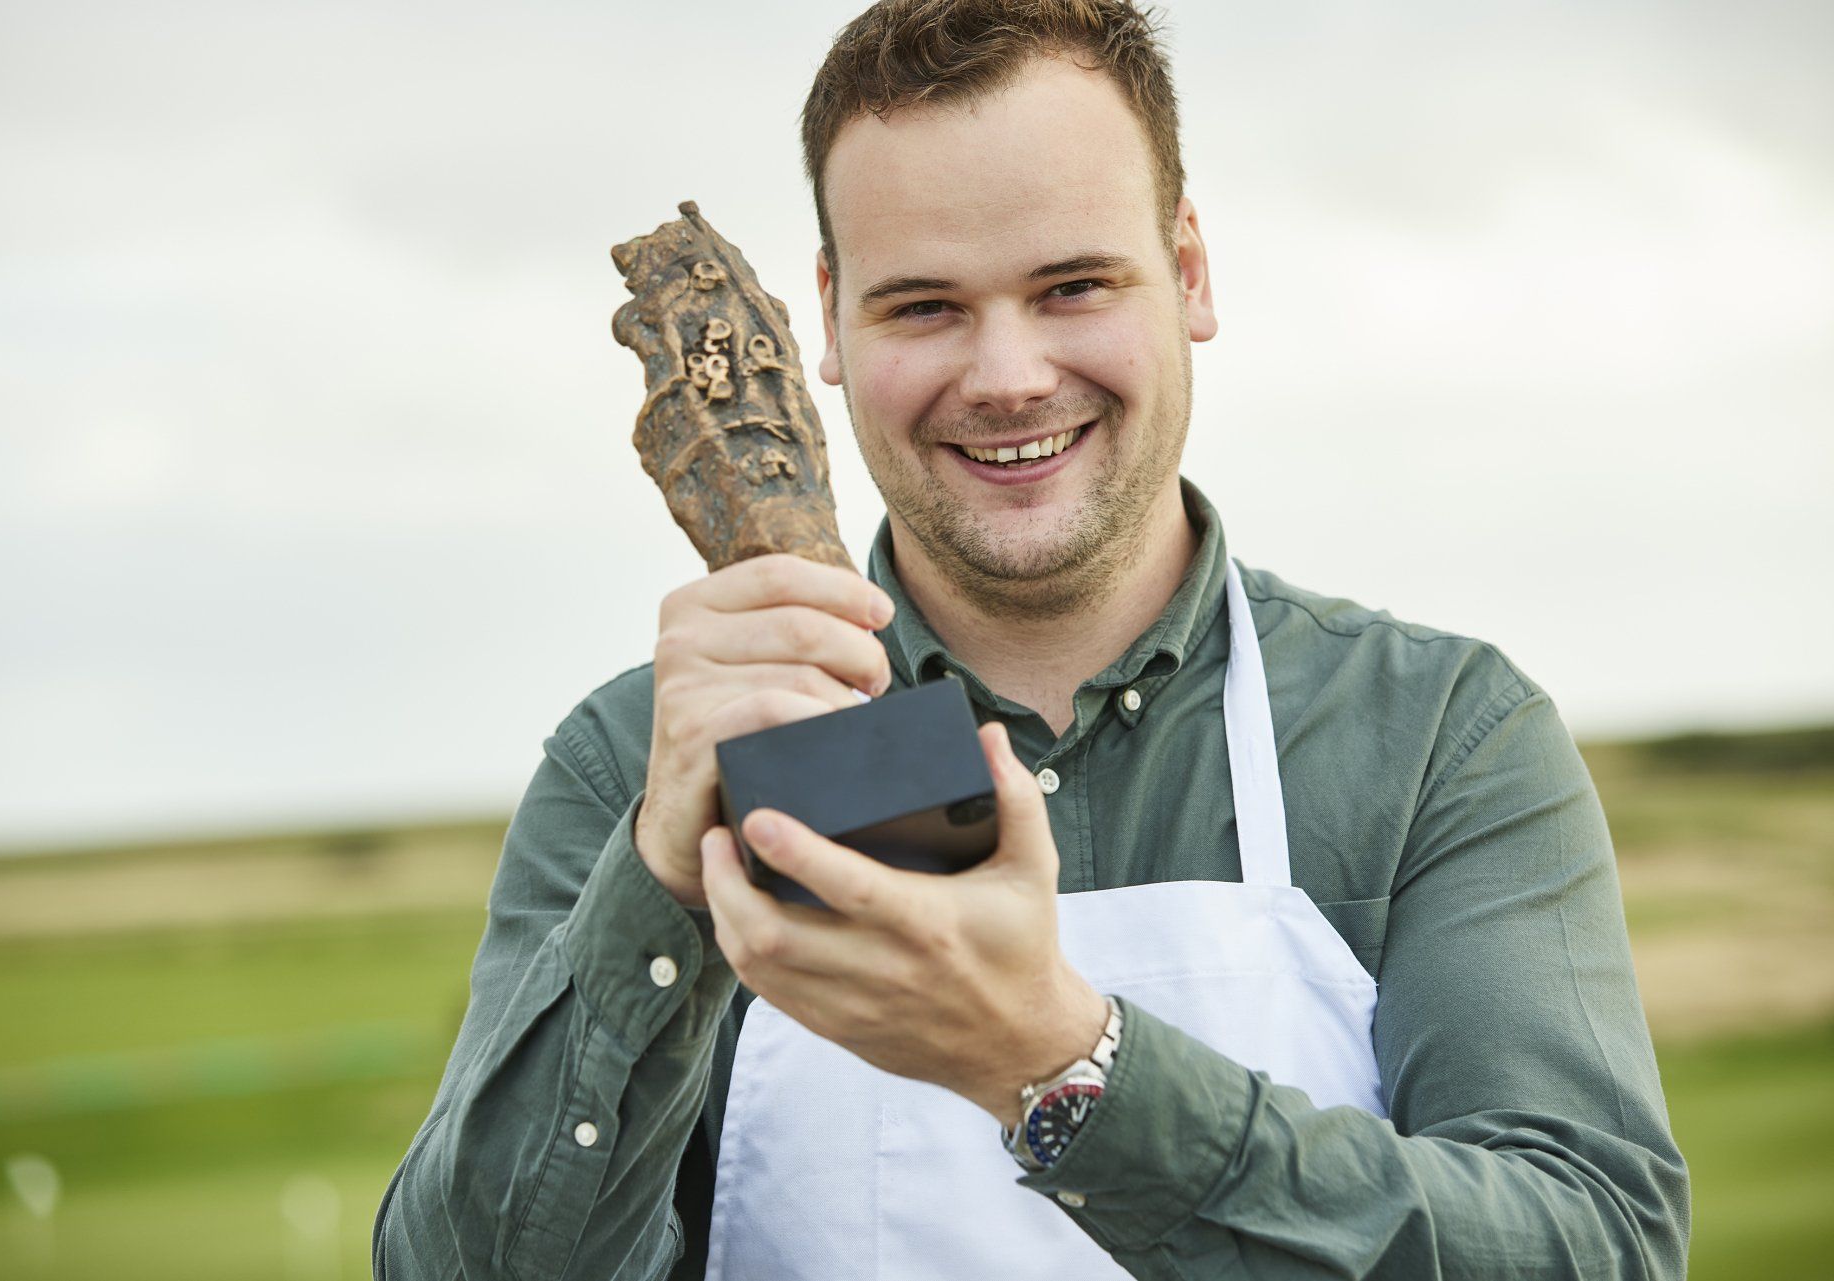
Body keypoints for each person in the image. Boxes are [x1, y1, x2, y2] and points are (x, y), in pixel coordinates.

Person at [372, 2, 1689, 1277]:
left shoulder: (1434, 738)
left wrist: (1060, 1057)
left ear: (1188, 273)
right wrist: (662, 880)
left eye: (1071, 285)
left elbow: (1592, 1248)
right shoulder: (638, 762)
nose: (1006, 375)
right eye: (925, 306)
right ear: (826, 318)